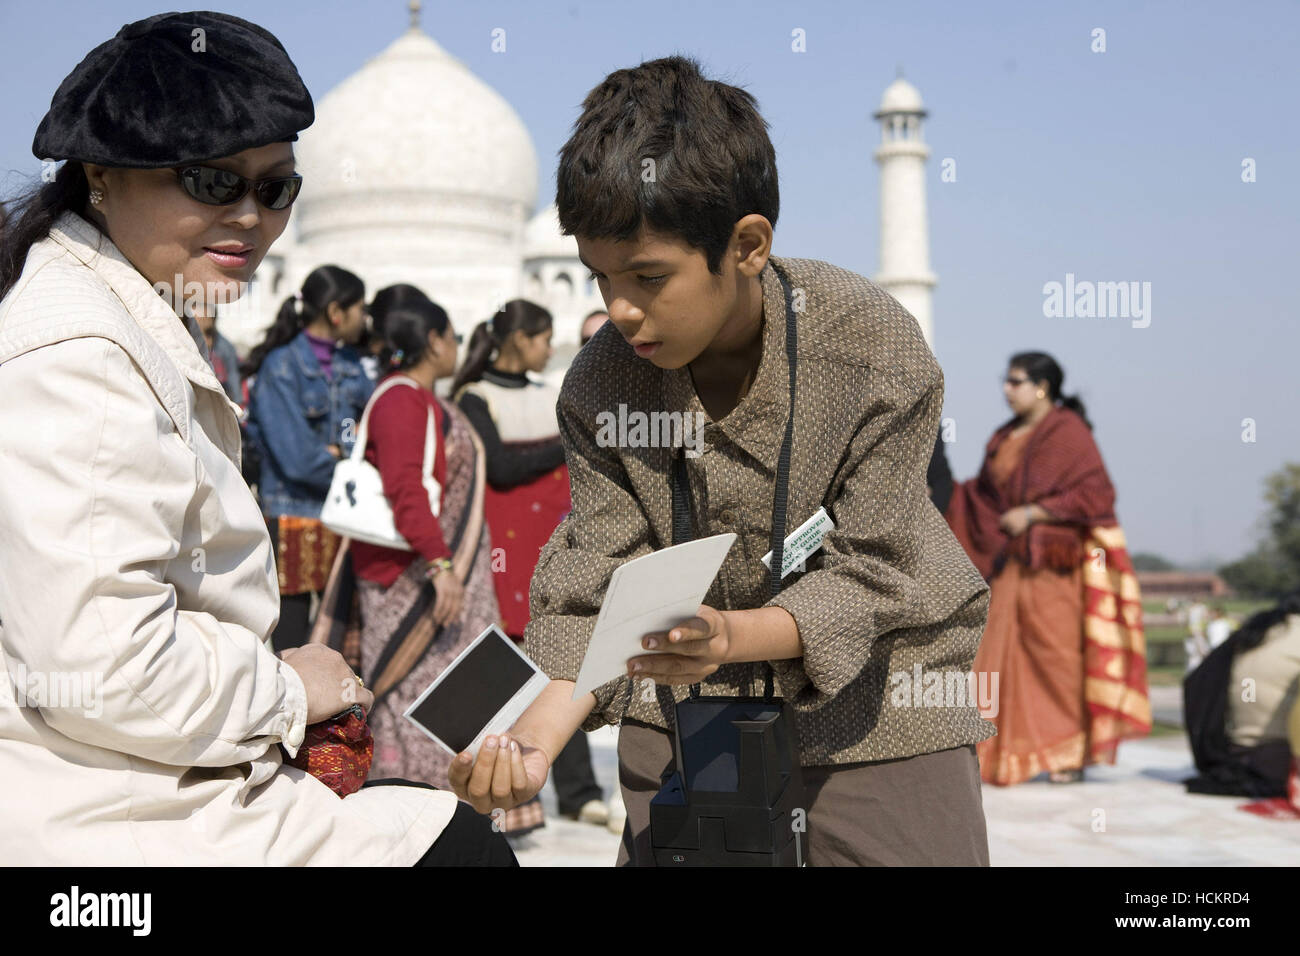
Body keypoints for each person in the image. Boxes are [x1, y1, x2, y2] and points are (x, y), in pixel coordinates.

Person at [449, 55, 995, 866]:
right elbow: (596, 579)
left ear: (746, 245)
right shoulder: (604, 380)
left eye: (648, 277)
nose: (620, 311)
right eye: (601, 279)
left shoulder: (869, 346)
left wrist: (731, 633)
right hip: (684, 709)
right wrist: (532, 740)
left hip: (878, 705)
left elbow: (879, 567)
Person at [0, 10, 512, 865]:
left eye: (275, 189)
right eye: (211, 181)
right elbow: (101, 671)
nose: (249, 218)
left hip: (147, 779)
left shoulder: (129, 309)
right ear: (100, 175)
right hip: (109, 816)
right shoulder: (78, 355)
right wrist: (285, 690)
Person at [311, 286, 501, 791]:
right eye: (452, 336)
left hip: (423, 570)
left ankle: (443, 804)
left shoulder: (419, 398)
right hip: (407, 576)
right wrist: (441, 568)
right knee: (407, 701)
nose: (456, 346)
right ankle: (410, 805)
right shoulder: (400, 399)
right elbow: (406, 490)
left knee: (442, 701)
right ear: (435, 341)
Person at [945, 352, 1151, 785]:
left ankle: (1068, 754)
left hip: (1054, 568)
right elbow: (982, 497)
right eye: (1006, 380)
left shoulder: (1067, 432)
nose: (1007, 389)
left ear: (1042, 386)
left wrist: (1036, 513)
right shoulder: (1005, 436)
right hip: (1010, 566)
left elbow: (1097, 495)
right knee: (996, 657)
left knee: (1056, 658)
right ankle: (998, 752)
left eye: (1016, 381)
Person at [451, 299, 610, 833]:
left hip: (554, 540)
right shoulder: (475, 397)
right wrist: (565, 442)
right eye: (543, 338)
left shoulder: (553, 395)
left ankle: (578, 789)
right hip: (503, 549)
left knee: (563, 657)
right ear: (519, 339)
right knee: (506, 664)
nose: (550, 348)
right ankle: (490, 791)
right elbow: (500, 465)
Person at [245, 264, 374, 651]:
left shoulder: (352, 366)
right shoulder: (281, 368)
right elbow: (298, 459)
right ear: (337, 312)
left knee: (339, 642)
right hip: (293, 519)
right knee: (294, 644)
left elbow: (362, 432)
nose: (365, 318)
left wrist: (344, 450)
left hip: (342, 518)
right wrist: (349, 463)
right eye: (359, 309)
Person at [188, 310, 242, 402]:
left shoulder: (225, 349)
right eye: (195, 334)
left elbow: (234, 389)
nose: (204, 342)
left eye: (209, 333)